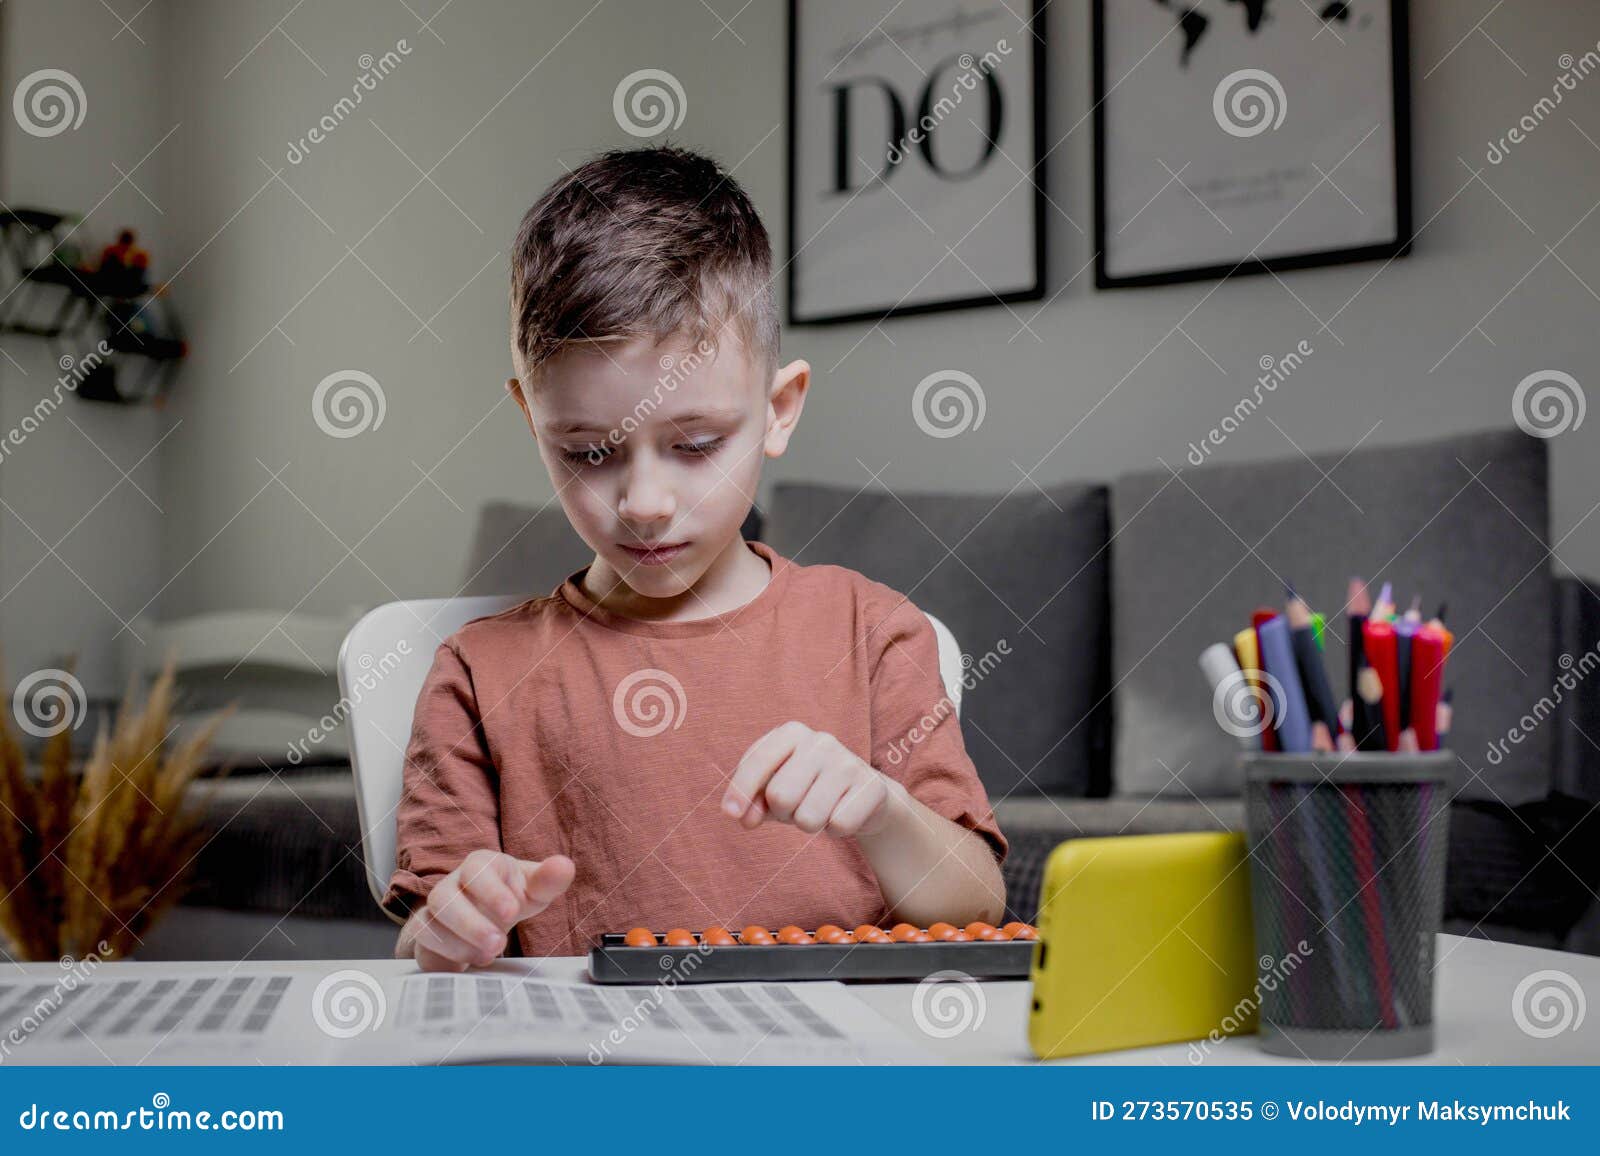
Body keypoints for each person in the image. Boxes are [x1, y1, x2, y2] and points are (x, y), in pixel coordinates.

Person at [387, 145, 1006, 971]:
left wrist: (884, 813)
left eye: (696, 444)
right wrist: (449, 926)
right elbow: (423, 935)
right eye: (589, 451)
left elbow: (978, 902)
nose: (644, 502)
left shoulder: (873, 633)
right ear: (532, 420)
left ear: (779, 409)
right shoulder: (477, 672)